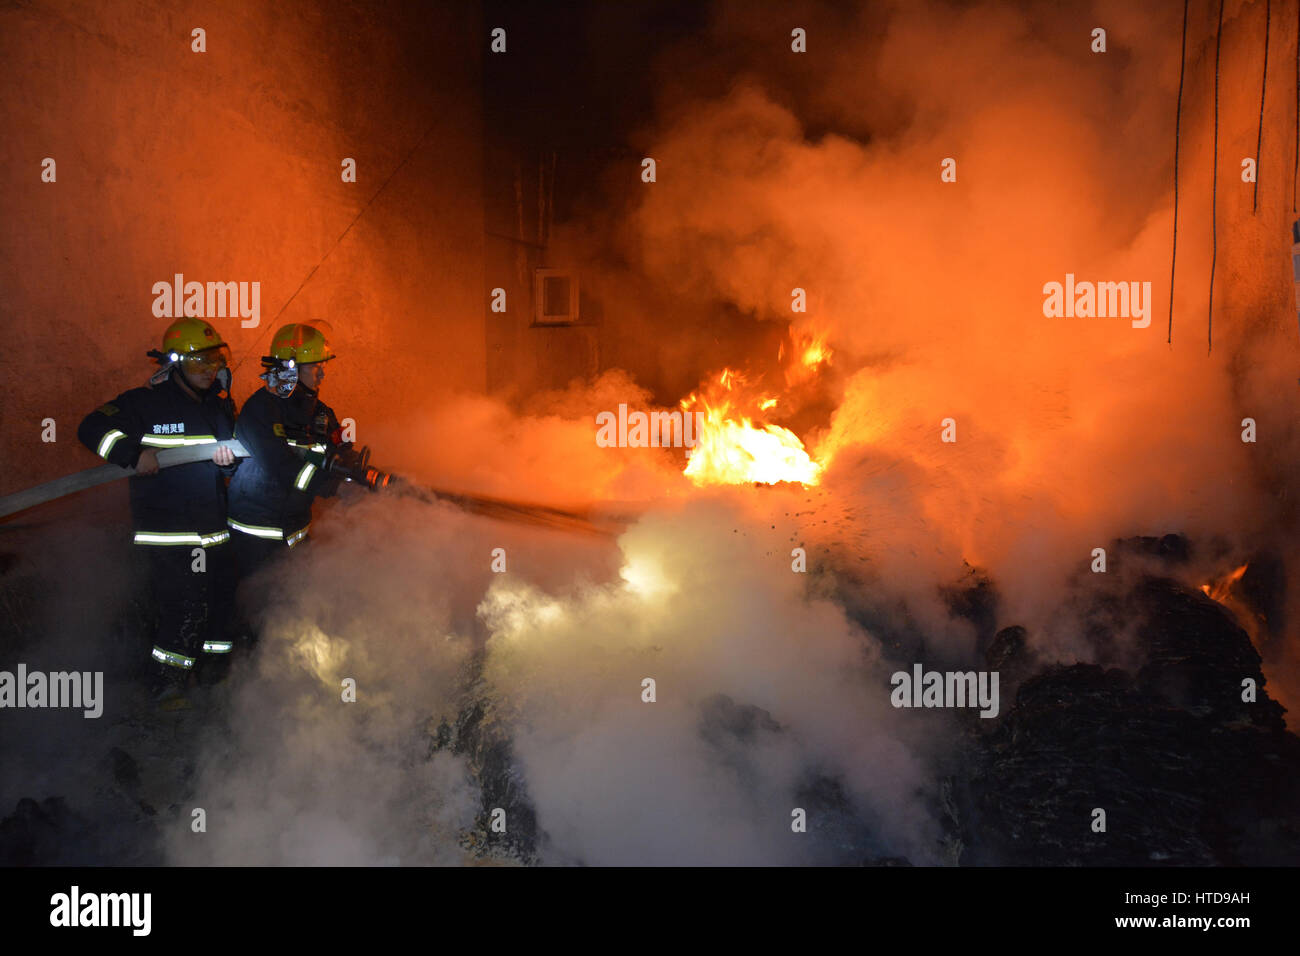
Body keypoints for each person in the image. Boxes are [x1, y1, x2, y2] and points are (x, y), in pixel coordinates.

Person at [77, 318, 238, 709]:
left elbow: (229, 464)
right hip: (168, 533)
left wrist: (228, 465)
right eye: (198, 361)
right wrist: (133, 454)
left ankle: (214, 674)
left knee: (218, 603)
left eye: (214, 359)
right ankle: (165, 684)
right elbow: (91, 427)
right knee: (184, 607)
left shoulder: (218, 408)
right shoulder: (143, 404)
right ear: (175, 362)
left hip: (212, 531)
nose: (208, 369)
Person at [226, 322, 344, 590]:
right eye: (315, 366)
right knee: (257, 612)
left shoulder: (322, 413)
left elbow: (339, 453)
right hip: (256, 536)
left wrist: (358, 476)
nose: (322, 374)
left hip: (296, 531)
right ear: (291, 366)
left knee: (295, 608)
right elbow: (281, 466)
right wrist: (333, 486)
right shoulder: (261, 409)